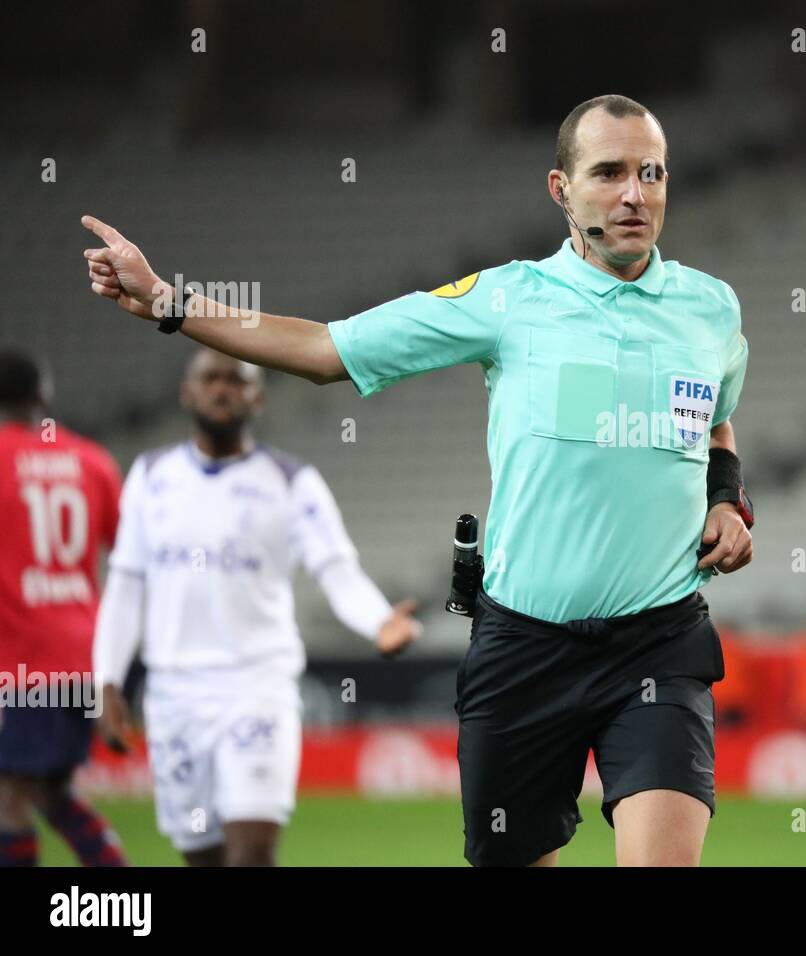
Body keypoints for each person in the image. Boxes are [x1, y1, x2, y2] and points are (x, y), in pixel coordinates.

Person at [80, 92, 753, 866]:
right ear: (561, 190)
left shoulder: (711, 310)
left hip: (657, 644)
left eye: (652, 172)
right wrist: (169, 302)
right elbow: (328, 351)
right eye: (609, 173)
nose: (636, 194)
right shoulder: (507, 301)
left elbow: (716, 423)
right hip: (524, 648)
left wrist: (726, 497)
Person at [91, 348, 421, 865]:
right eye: (210, 379)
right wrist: (107, 681)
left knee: (252, 850)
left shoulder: (291, 482)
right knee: (203, 854)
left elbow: (337, 571)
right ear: (187, 393)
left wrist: (379, 620)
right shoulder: (150, 477)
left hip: (256, 687)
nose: (222, 389)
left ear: (258, 397)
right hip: (173, 695)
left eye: (236, 380)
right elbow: (126, 588)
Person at [0, 349, 127, 866]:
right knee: (49, 791)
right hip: (83, 657)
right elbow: (130, 555)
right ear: (43, 396)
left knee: (9, 797)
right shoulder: (91, 460)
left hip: (19, 661)